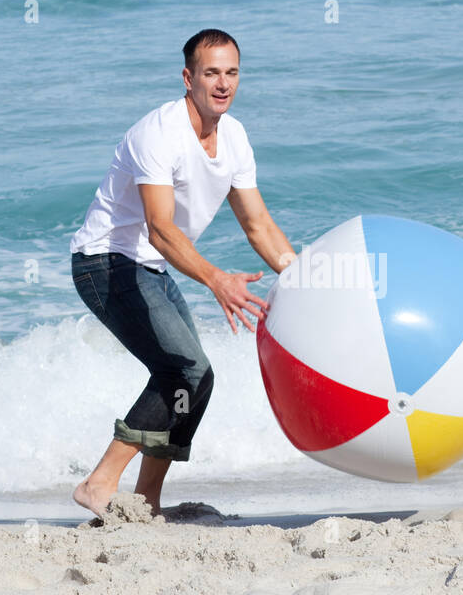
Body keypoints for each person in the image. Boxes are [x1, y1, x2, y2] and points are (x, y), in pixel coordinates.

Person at [70, 29, 296, 517]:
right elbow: (159, 227)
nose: (223, 84)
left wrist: (303, 280)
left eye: (231, 72)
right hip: (104, 262)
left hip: (150, 265)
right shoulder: (159, 133)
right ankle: (98, 484)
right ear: (188, 77)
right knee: (182, 369)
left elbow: (258, 224)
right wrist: (218, 280)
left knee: (198, 379)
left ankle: (147, 498)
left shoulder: (234, 137)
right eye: (211, 73)